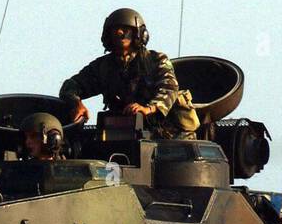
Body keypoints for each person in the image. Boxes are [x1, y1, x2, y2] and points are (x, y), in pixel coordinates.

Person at [59, 8, 199, 139]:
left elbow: (169, 88)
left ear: (139, 33)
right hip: (124, 135)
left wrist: (148, 109)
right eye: (115, 29)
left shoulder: (156, 61)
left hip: (169, 135)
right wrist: (76, 103)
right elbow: (71, 86)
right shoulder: (103, 67)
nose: (120, 32)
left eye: (125, 29)